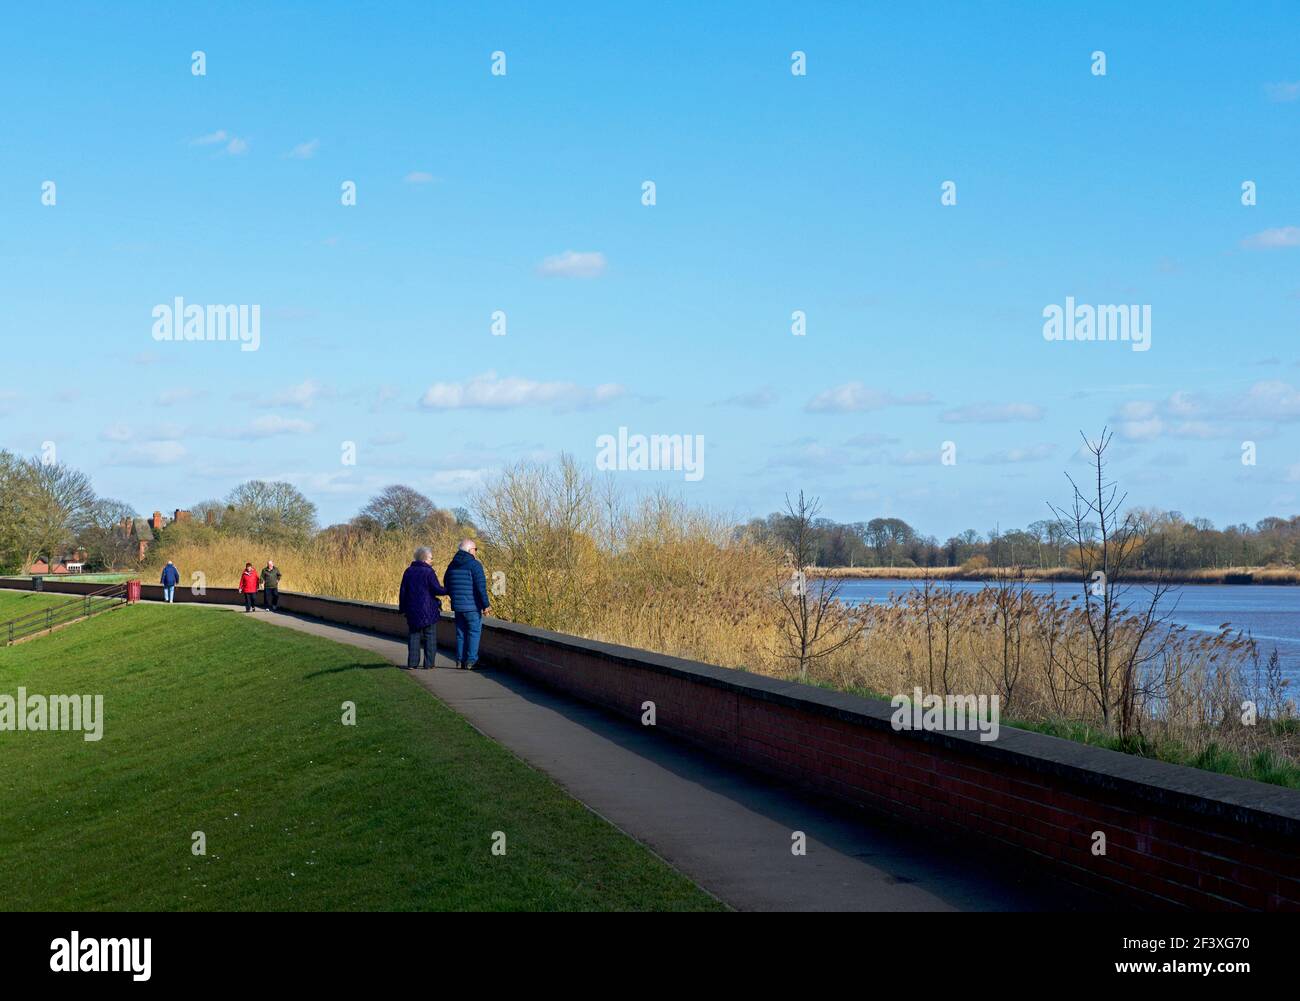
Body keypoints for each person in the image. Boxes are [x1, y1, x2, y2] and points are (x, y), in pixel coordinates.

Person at [398, 547, 449, 669]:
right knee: (430, 636)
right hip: (428, 610)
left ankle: (412, 663)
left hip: (412, 610)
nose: (432, 560)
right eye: (431, 558)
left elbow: (403, 591)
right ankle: (429, 663)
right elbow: (436, 589)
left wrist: (403, 608)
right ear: (425, 559)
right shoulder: (429, 572)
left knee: (414, 636)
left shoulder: (408, 571)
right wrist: (448, 590)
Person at [444, 539, 490, 670]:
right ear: (470, 550)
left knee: (460, 633)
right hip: (473, 607)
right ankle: (471, 661)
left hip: (458, 606)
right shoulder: (475, 565)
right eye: (475, 549)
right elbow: (481, 587)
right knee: (474, 632)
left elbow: (446, 582)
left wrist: (454, 596)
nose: (476, 552)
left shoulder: (452, 565)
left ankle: (459, 661)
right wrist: (486, 605)